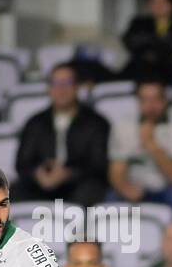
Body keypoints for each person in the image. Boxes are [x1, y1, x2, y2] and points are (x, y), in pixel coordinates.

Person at [12, 63, 111, 208]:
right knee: (12, 194)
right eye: (55, 83)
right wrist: (38, 173)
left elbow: (98, 164)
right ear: (48, 88)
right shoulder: (35, 123)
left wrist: (68, 174)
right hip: (42, 184)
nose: (61, 89)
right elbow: (22, 162)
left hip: (79, 184)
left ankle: (80, 231)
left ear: (77, 87)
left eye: (67, 83)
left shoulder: (96, 123)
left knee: (90, 191)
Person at [107, 79, 172, 208]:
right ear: (138, 102)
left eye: (156, 100)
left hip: (168, 187)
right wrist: (125, 188)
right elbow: (116, 169)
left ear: (165, 101)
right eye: (145, 100)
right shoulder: (124, 125)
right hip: (136, 186)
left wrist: (151, 144)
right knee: (112, 198)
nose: (151, 106)